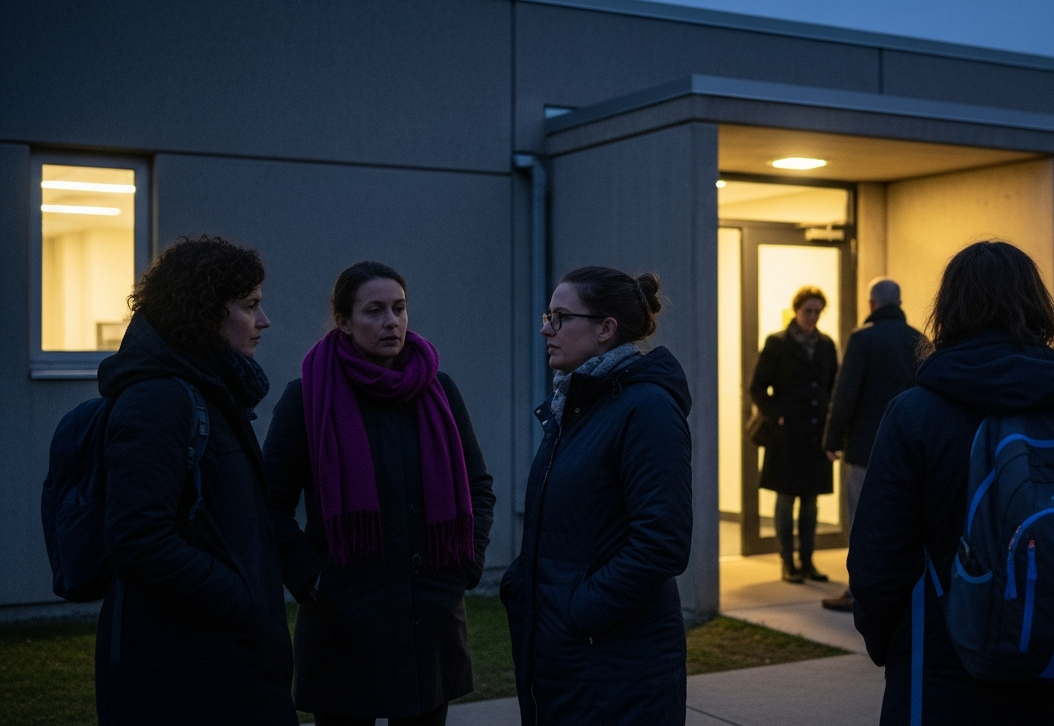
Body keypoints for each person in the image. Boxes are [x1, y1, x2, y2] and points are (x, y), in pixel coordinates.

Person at [849, 241, 1054, 725]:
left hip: (944, 671)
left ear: (950, 310)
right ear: (1038, 308)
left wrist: (892, 646)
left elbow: (879, 560)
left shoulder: (915, 414)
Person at [262, 261, 496, 726]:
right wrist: (314, 580)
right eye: (374, 311)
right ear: (344, 321)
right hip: (345, 622)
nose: (392, 322)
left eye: (399, 308)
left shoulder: (439, 390)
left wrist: (465, 565)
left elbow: (478, 487)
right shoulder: (308, 398)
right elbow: (269, 506)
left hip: (428, 619)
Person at [95, 236, 295, 725]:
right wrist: (239, 598)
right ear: (206, 313)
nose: (263, 321)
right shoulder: (160, 400)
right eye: (250, 307)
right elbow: (140, 539)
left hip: (227, 667)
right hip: (188, 679)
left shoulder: (212, 392)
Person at [501, 266, 692, 726]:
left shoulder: (645, 409)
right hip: (573, 658)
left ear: (606, 329)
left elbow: (661, 543)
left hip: (615, 667)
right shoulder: (581, 403)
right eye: (549, 315)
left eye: (561, 317)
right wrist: (522, 585)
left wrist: (578, 610)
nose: (547, 328)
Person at [821, 277, 924, 611]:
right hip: (908, 450)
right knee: (901, 522)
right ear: (899, 302)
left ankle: (858, 591)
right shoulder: (919, 340)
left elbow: (845, 393)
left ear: (871, 304)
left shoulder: (863, 339)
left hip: (864, 449)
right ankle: (897, 587)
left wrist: (832, 439)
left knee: (861, 523)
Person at [750, 286, 839, 583]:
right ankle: (788, 562)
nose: (812, 317)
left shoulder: (826, 345)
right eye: (807, 311)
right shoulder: (777, 343)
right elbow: (758, 388)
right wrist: (779, 415)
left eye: (817, 311)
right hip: (787, 433)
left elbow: (832, 387)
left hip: (816, 432)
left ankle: (808, 560)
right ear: (797, 311)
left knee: (811, 499)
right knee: (787, 497)